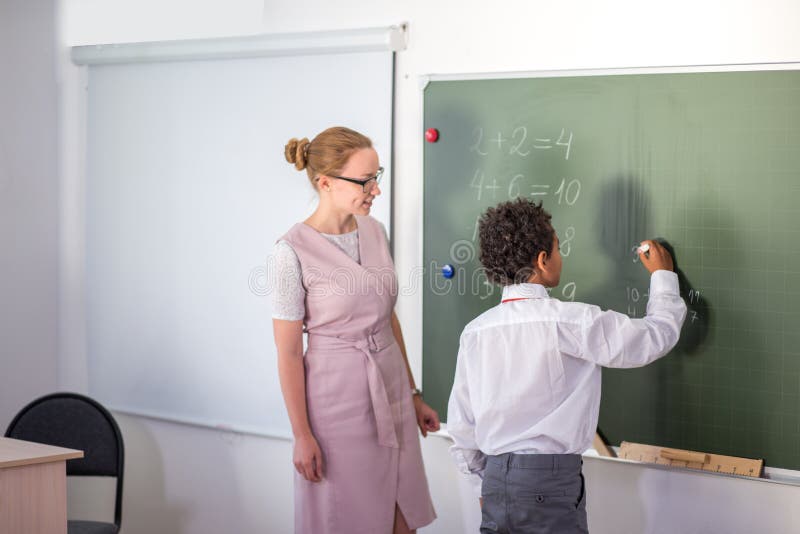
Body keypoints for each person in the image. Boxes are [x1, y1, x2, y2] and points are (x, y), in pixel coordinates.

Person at [447, 198, 687, 534]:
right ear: (543, 260)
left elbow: (462, 426)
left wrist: (483, 487)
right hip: (549, 481)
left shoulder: (475, 332)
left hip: (495, 478)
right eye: (558, 248)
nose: (562, 256)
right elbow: (654, 338)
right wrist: (663, 276)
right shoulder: (570, 321)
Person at [272, 126, 438, 534]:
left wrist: (413, 394)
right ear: (324, 182)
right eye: (365, 181)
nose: (375, 190)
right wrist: (301, 435)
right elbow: (289, 353)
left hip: (392, 389)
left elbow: (386, 316)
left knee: (404, 519)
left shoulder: (374, 231)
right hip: (337, 404)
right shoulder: (289, 252)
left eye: (376, 177)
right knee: (349, 518)